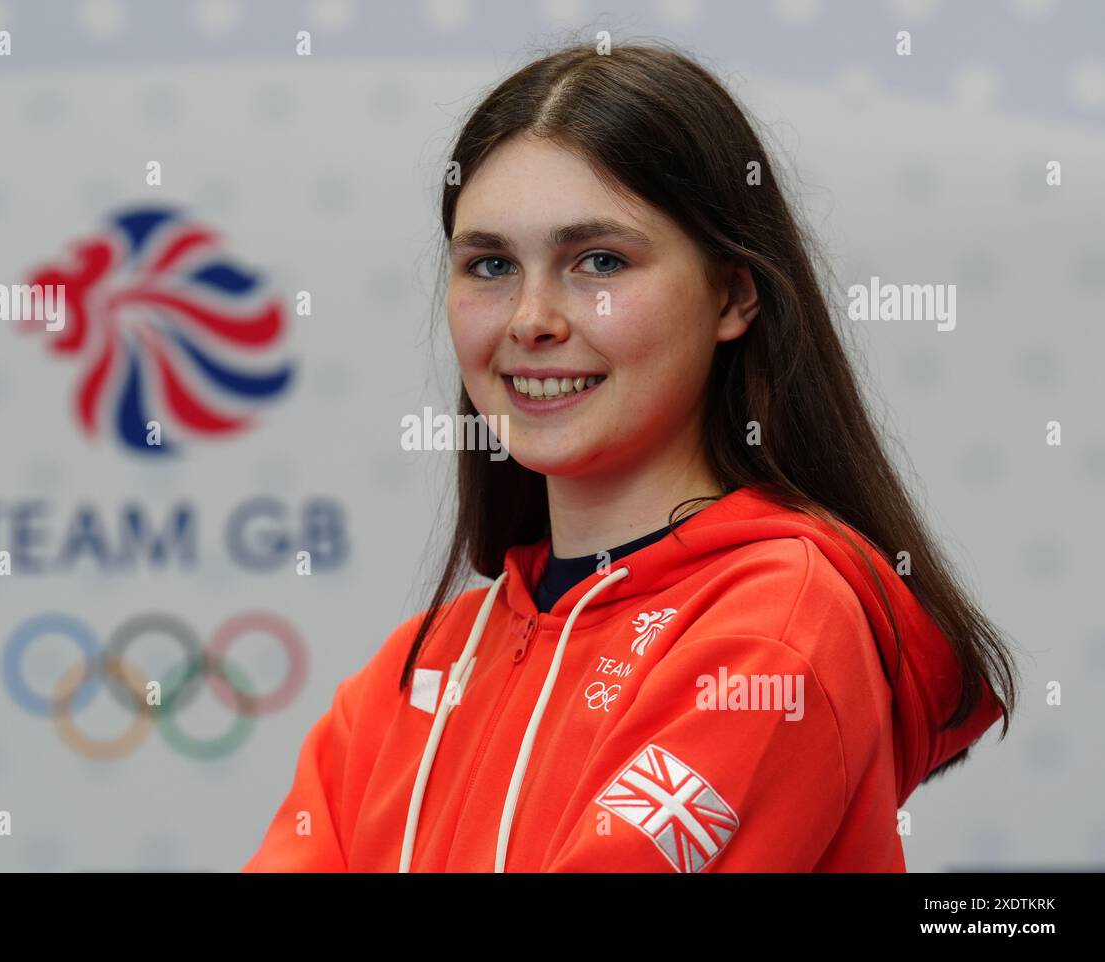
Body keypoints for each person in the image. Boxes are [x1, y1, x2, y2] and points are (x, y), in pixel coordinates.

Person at [243, 40, 1018, 872]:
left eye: (599, 262)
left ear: (734, 293)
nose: (531, 318)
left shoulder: (779, 628)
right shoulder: (415, 671)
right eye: (491, 265)